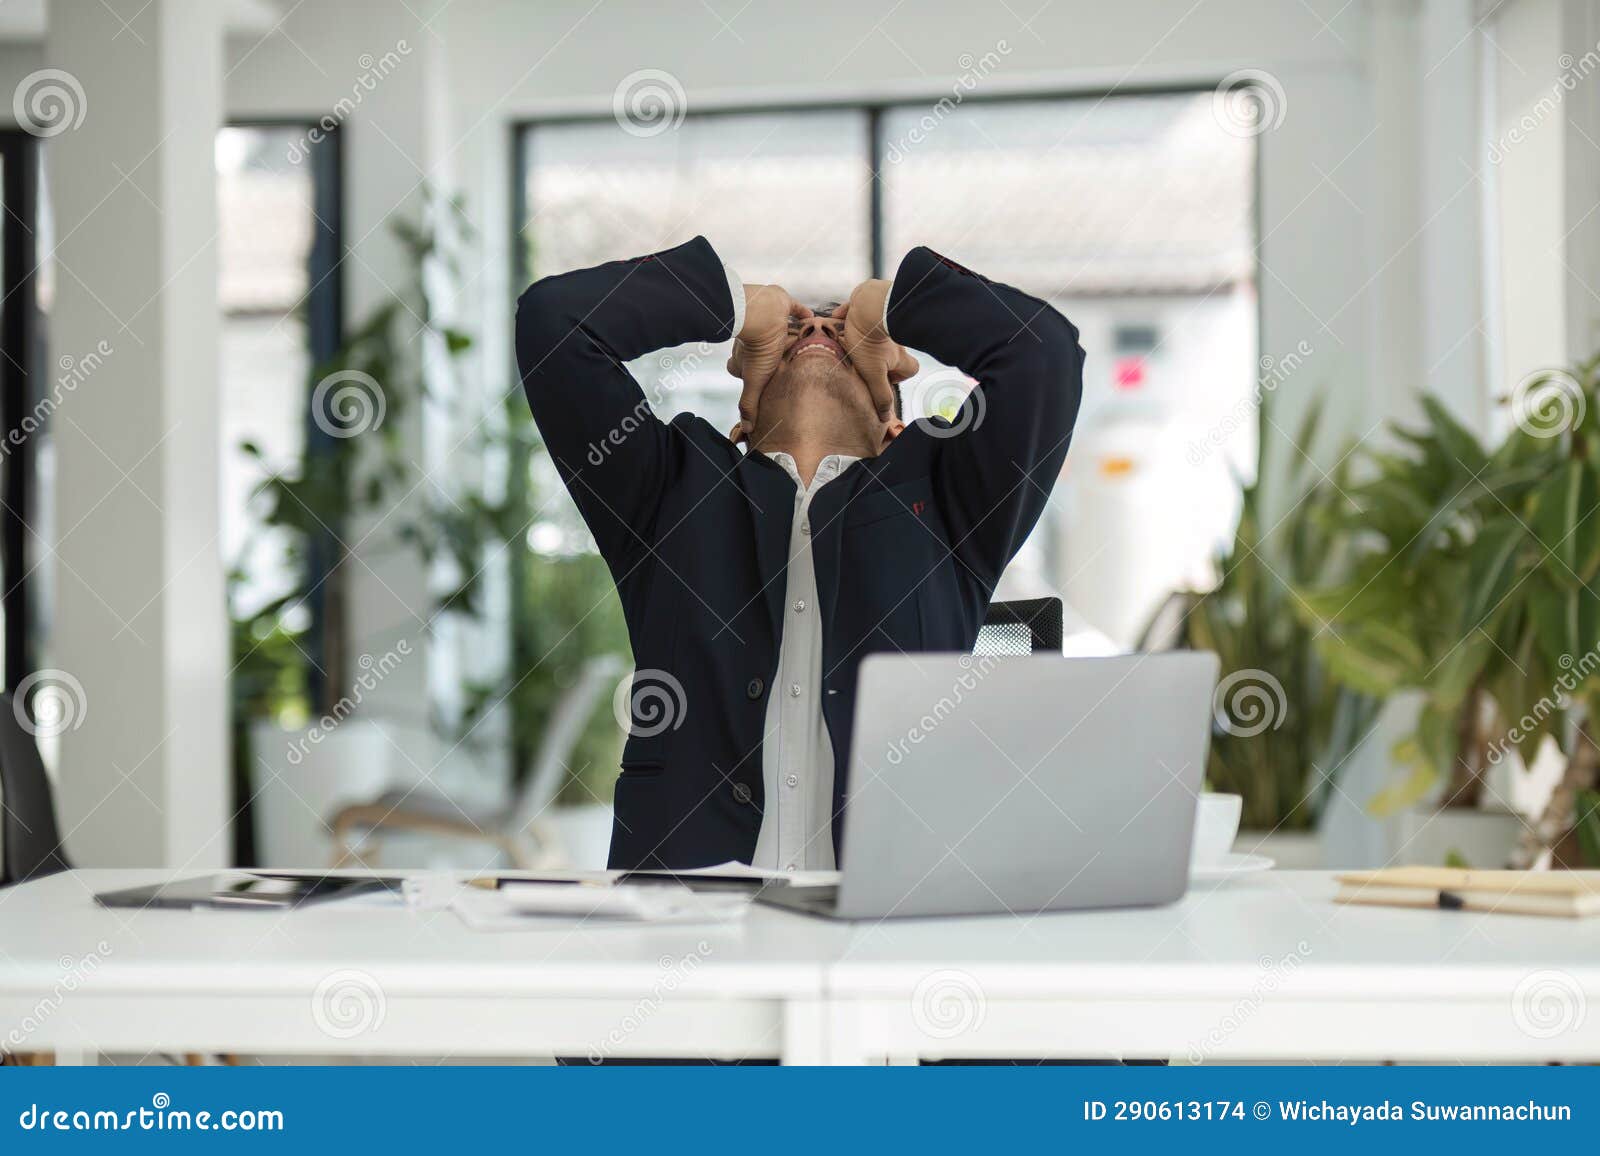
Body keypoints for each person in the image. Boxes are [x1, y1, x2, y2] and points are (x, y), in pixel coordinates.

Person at [516, 236, 1083, 871]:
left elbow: (1044, 354)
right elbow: (555, 324)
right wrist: (737, 306)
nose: (816, 327)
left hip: (890, 908)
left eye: (840, 330)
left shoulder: (948, 502)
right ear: (742, 422)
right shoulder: (673, 491)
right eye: (794, 331)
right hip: (688, 910)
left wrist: (892, 305)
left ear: (894, 427)